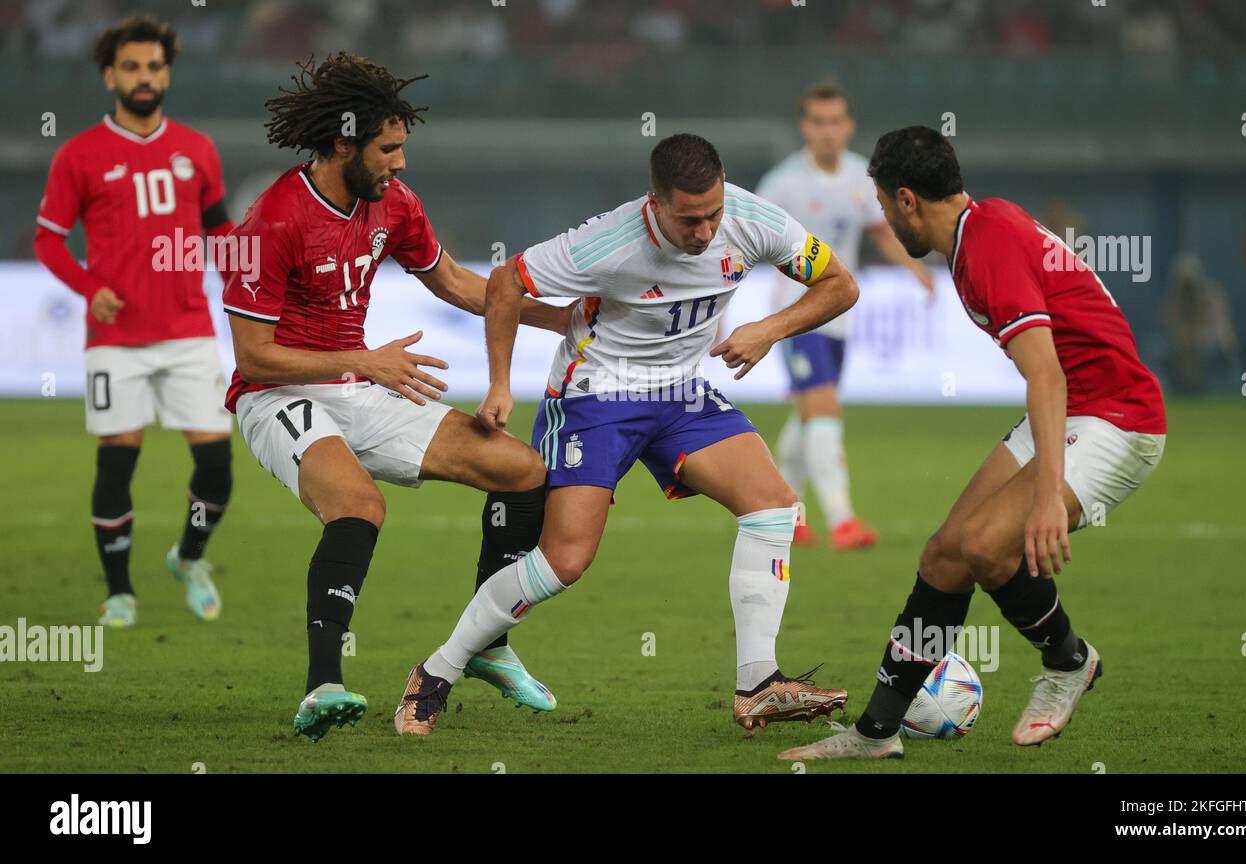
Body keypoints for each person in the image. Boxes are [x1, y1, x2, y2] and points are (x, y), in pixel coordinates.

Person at [399, 133, 858, 736]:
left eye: (713, 214)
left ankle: (758, 684)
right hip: (596, 396)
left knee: (772, 507)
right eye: (690, 219)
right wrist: (500, 385)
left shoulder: (750, 218)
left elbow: (840, 286)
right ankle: (435, 673)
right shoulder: (608, 243)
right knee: (565, 560)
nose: (704, 231)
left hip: (680, 391)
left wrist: (770, 328)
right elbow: (507, 281)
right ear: (655, 203)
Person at [779, 127, 1166, 761]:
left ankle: (1069, 662)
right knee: (945, 557)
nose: (881, 219)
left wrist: (1047, 499)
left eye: (881, 205)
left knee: (989, 547)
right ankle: (875, 734)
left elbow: (1045, 371)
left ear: (907, 200)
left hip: (1118, 418)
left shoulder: (984, 248)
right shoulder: (977, 229)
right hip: (1074, 407)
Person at [222, 53, 571, 741]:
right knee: (358, 506)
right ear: (342, 146)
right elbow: (251, 356)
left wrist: (560, 316)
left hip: (361, 382)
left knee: (522, 471)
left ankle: (488, 642)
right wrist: (362, 359)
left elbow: (460, 287)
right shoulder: (272, 220)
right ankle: (323, 685)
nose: (400, 163)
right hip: (276, 395)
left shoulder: (394, 205)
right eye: (389, 149)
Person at [34, 15, 234, 628]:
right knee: (117, 464)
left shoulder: (196, 149)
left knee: (217, 469)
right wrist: (91, 288)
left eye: (153, 66)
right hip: (115, 342)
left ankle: (188, 556)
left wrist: (247, 290)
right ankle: (119, 591)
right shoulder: (79, 155)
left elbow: (220, 235)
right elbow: (48, 242)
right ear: (109, 76)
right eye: (131, 67)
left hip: (189, 332)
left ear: (166, 72)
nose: (143, 77)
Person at [757, 82, 934, 550]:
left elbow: (881, 232)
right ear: (804, 127)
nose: (827, 131)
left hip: (839, 316)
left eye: (835, 121)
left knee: (809, 417)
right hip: (795, 316)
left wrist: (918, 270)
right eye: (818, 122)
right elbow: (741, 242)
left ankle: (784, 513)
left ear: (849, 126)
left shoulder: (861, 178)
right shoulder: (782, 183)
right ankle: (842, 520)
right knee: (824, 409)